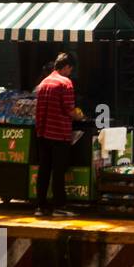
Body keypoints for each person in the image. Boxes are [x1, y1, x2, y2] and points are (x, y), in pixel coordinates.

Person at [33, 52, 87, 218]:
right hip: (59, 134)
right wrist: (80, 116)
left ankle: (41, 206)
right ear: (67, 67)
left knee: (44, 170)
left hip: (43, 133)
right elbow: (69, 110)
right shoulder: (65, 83)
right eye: (71, 69)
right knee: (58, 171)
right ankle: (59, 206)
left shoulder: (43, 83)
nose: (71, 72)